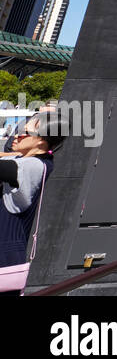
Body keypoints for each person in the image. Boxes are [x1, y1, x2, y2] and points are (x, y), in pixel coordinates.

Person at [0, 113, 62, 290]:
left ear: (41, 143)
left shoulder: (36, 166)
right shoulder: (21, 159)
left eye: (25, 133)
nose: (17, 135)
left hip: (4, 257)